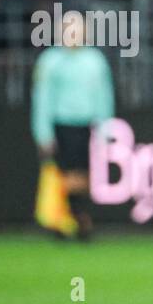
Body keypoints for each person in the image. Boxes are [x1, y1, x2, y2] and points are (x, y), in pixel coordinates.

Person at [31, 12, 114, 240]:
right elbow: (42, 99)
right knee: (64, 175)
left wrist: (105, 129)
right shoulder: (50, 61)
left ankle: (73, 218)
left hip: (86, 126)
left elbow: (104, 96)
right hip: (61, 125)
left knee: (82, 175)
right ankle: (73, 219)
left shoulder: (95, 61)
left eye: (77, 28)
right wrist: (43, 133)